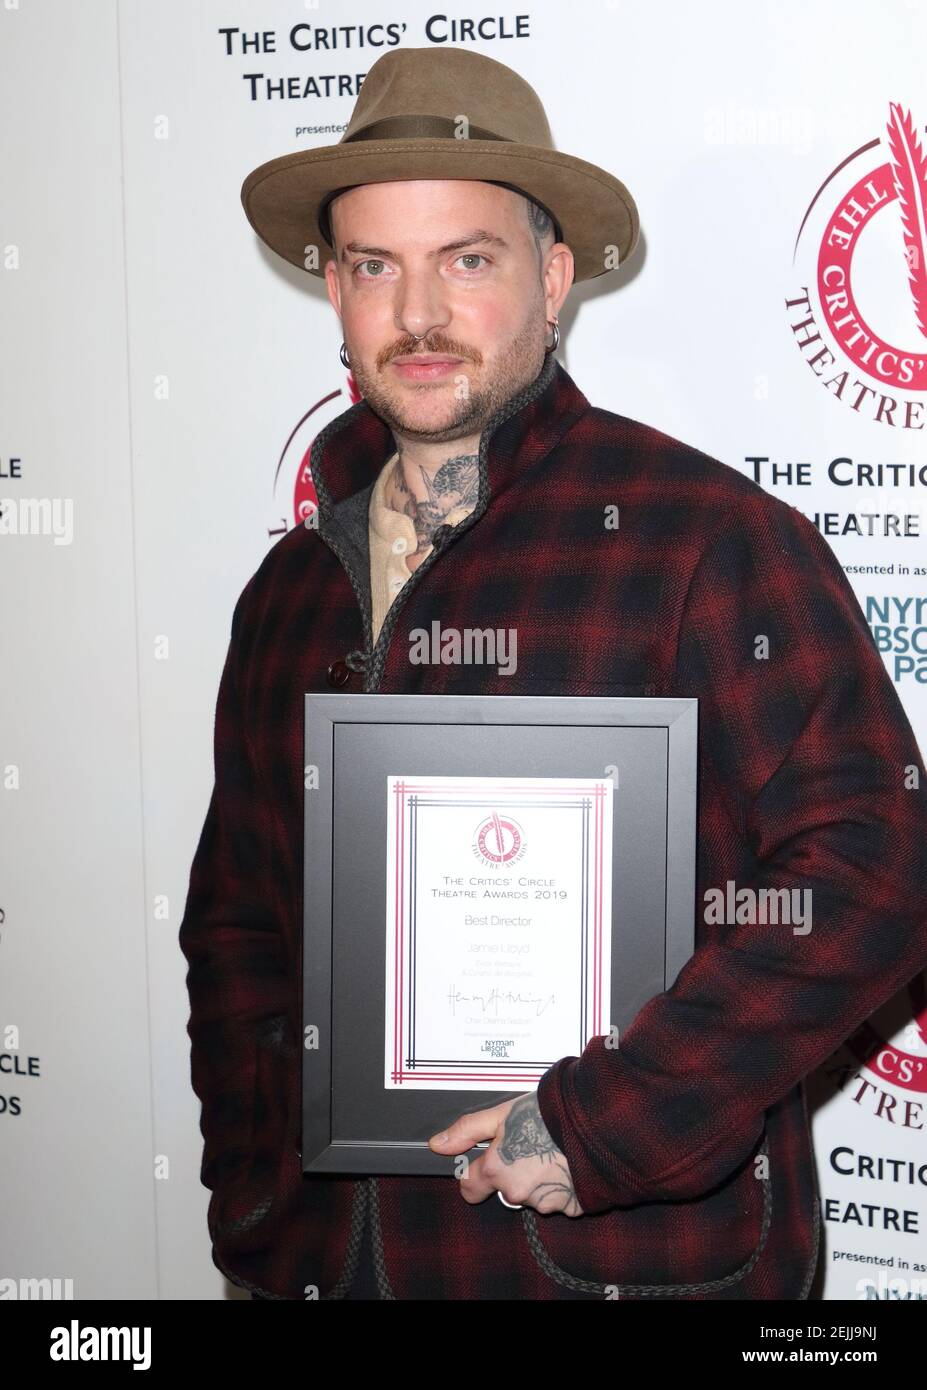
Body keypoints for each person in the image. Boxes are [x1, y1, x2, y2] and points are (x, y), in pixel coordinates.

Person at [179, 45, 927, 1301]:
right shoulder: (290, 592)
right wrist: (253, 1193)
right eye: (376, 266)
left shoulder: (703, 541)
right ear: (337, 290)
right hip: (323, 1266)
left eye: (468, 259)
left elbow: (879, 862)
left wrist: (607, 1126)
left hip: (613, 1268)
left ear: (555, 276)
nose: (418, 313)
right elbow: (240, 927)